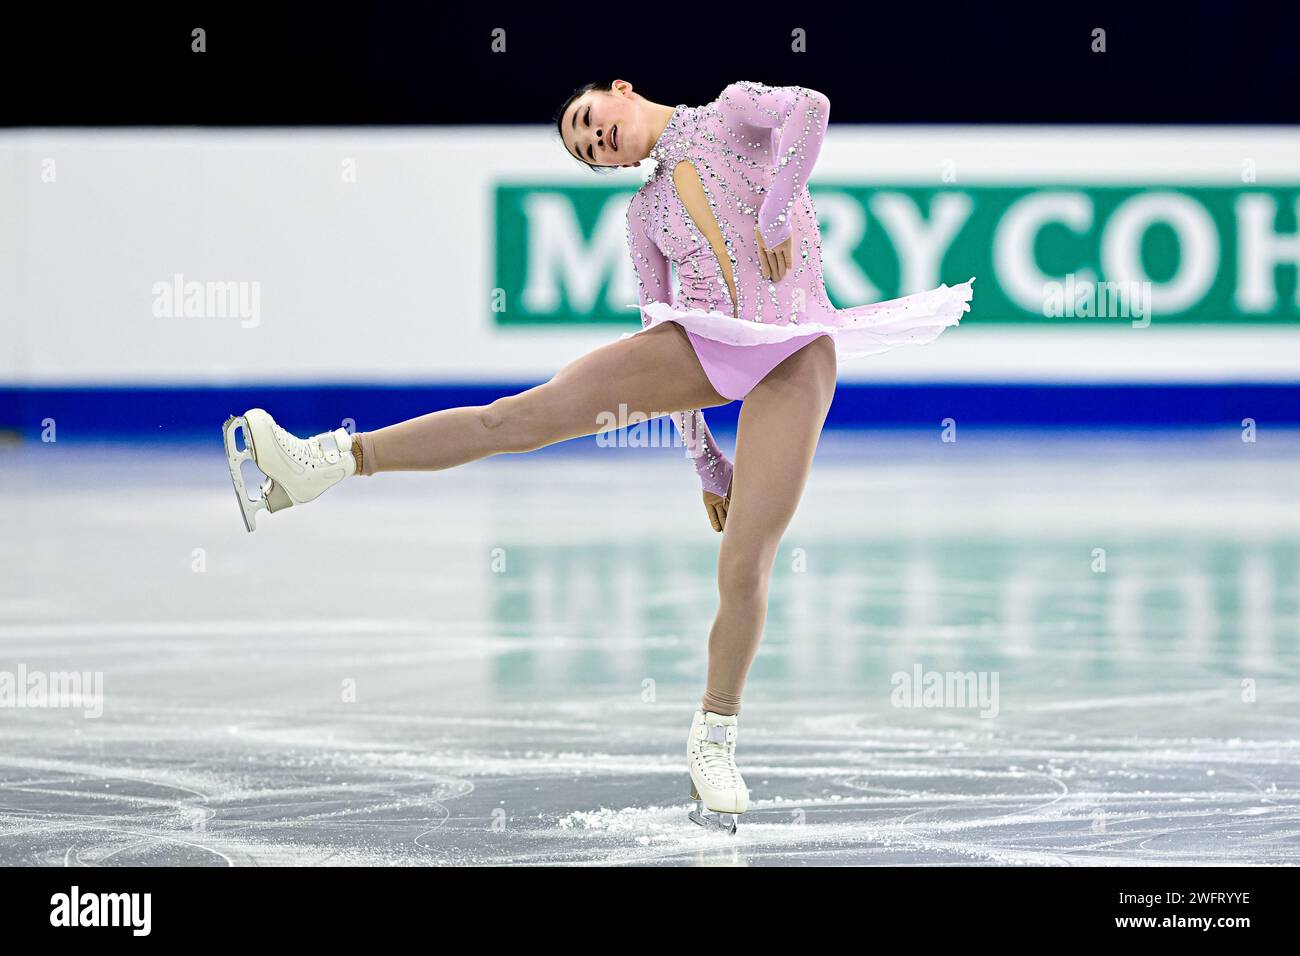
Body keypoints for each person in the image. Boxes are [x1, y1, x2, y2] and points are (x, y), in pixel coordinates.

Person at [223, 78, 973, 833]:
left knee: (744, 562)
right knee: (513, 419)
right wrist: (704, 457)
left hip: (795, 352)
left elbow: (811, 109)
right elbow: (662, 316)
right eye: (586, 152)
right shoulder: (643, 215)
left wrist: (776, 210)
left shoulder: (735, 110)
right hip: (704, 351)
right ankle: (325, 461)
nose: (595, 142)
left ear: (621, 91)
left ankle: (713, 737)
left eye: (590, 122)